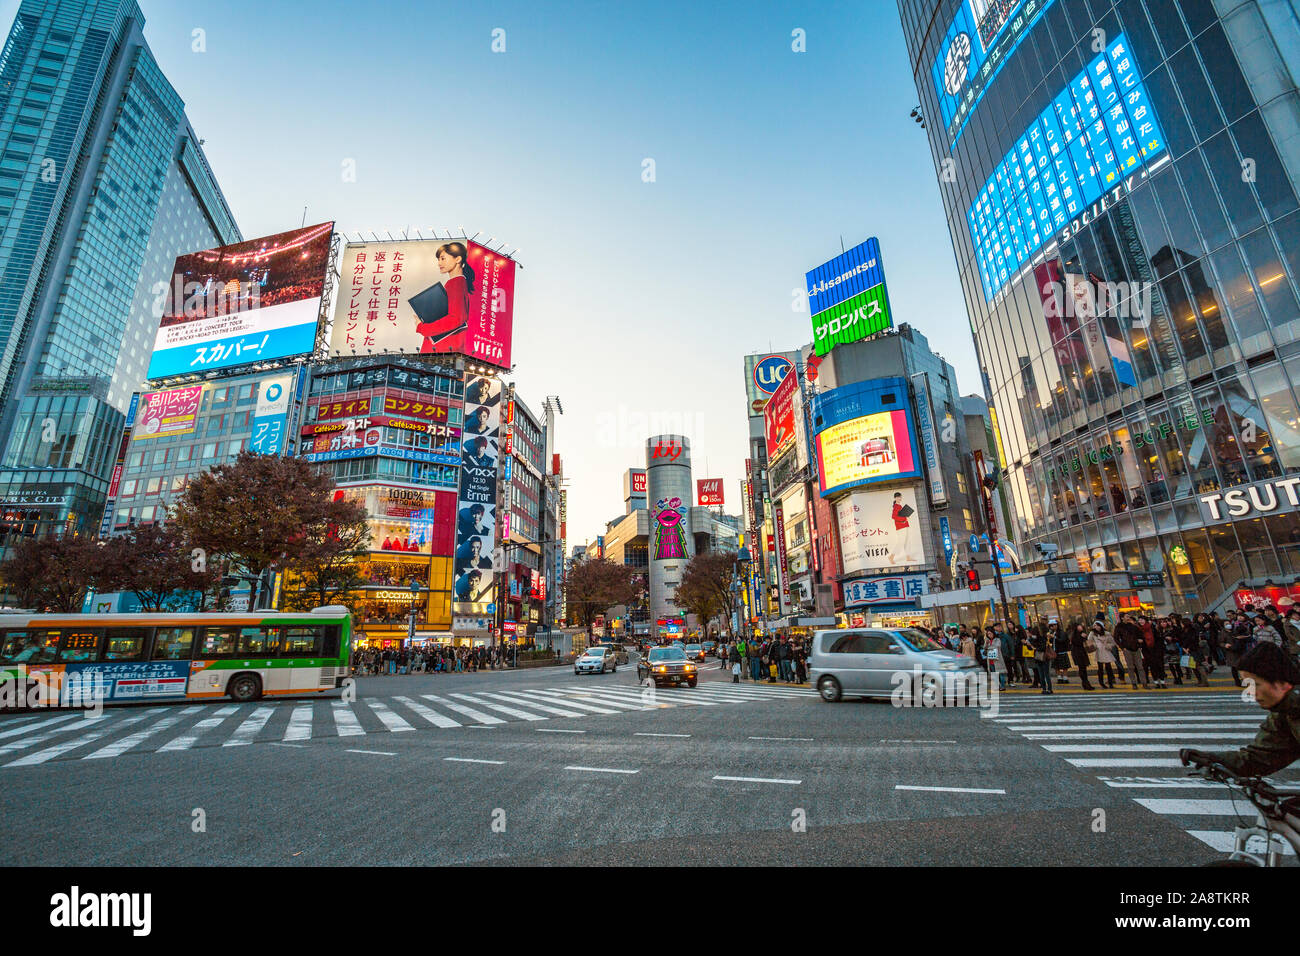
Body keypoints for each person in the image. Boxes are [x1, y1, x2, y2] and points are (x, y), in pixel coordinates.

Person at [1182, 643, 1300, 777]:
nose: (1249, 693)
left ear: (1282, 683)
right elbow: (1260, 758)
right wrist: (1214, 759)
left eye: (1255, 685)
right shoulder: (1284, 712)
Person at [415, 241, 474, 354]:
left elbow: (456, 318)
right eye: (438, 259)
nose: (439, 263)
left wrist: (422, 327)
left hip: (444, 348)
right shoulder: (458, 283)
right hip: (448, 347)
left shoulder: (456, 283)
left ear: (457, 259)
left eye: (443, 258)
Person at [1114, 615, 1146, 689]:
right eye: (1126, 616)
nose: (1128, 618)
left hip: (1136, 648)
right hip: (1127, 649)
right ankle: (1133, 683)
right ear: (1122, 618)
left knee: (1140, 666)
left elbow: (1140, 634)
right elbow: (1116, 638)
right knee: (1130, 667)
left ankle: (1144, 682)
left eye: (1129, 616)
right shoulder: (1119, 627)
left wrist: (1139, 641)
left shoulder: (1132, 626)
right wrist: (1122, 647)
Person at [1091, 621, 1119, 689]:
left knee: (1109, 668)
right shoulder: (1092, 634)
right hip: (1099, 652)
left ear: (1101, 626)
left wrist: (1108, 646)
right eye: (1095, 626)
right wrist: (1094, 645)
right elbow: (1089, 641)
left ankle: (1110, 682)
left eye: (1098, 625)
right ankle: (1101, 683)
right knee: (1100, 669)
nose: (1096, 627)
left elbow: (1112, 642)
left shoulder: (1107, 634)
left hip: (1106, 651)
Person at [1070, 622, 1095, 690]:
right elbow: (1076, 642)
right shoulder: (1075, 635)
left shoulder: (1081, 633)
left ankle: (1086, 683)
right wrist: (1082, 637)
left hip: (1082, 653)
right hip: (1078, 654)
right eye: (1079, 626)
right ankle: (1085, 683)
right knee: (1082, 669)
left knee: (1083, 669)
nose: (1081, 627)